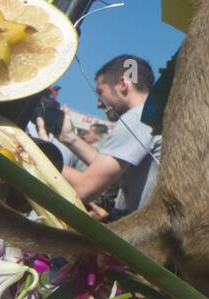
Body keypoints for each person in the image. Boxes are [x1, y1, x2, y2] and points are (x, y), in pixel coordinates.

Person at [58, 55, 161, 214]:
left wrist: (41, 156)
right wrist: (69, 137)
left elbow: (83, 190)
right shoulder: (154, 114)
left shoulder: (137, 118)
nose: (99, 103)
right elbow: (109, 168)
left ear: (122, 84)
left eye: (100, 92)